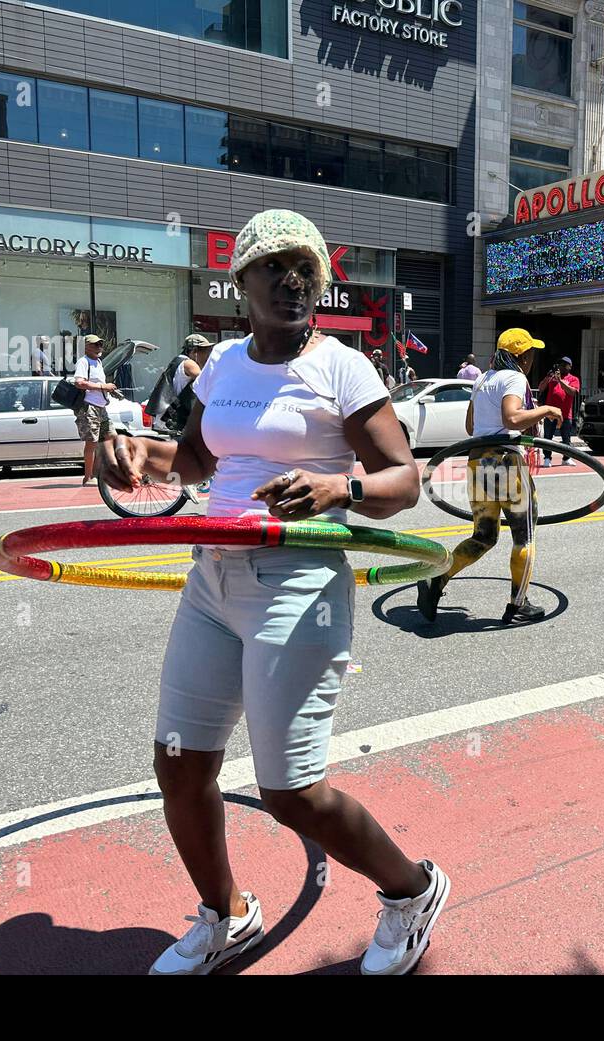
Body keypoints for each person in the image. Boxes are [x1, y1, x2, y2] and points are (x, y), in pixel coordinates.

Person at [100, 209, 446, 977]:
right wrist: (141, 460)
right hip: (212, 577)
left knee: (289, 790)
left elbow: (404, 481)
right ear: (241, 282)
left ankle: (412, 889)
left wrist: (337, 484)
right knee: (179, 762)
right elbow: (192, 457)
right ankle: (225, 915)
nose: (293, 280)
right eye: (275, 268)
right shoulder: (221, 362)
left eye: (307, 270)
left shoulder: (341, 367)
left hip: (298, 583)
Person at [415, 328, 562, 625]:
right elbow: (512, 418)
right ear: (522, 356)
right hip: (506, 461)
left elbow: (471, 426)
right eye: (530, 353)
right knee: (524, 535)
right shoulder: (516, 377)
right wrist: (546, 409)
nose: (532, 358)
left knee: (483, 536)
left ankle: (436, 579)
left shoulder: (482, 379)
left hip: (478, 461)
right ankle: (518, 605)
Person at [73, 334, 119, 486]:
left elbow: (99, 383)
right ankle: (88, 477)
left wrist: (109, 390)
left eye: (100, 344)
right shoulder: (83, 362)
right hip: (89, 407)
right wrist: (103, 387)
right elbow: (79, 383)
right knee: (91, 443)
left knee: (111, 436)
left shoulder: (98, 362)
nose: (99, 347)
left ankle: (97, 472)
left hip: (101, 407)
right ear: (86, 346)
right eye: (95, 344)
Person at [147, 333, 212, 433]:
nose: (207, 356)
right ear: (194, 351)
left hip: (165, 418)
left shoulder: (177, 361)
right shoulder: (189, 364)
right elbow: (207, 382)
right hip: (173, 420)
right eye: (205, 352)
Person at [538, 356, 581, 466]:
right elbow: (541, 388)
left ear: (569, 367)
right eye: (560, 364)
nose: (561, 367)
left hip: (566, 414)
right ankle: (547, 458)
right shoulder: (551, 377)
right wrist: (548, 378)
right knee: (548, 437)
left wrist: (560, 381)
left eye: (564, 365)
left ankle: (566, 458)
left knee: (566, 438)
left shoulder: (573, 379)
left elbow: (572, 392)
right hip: (551, 414)